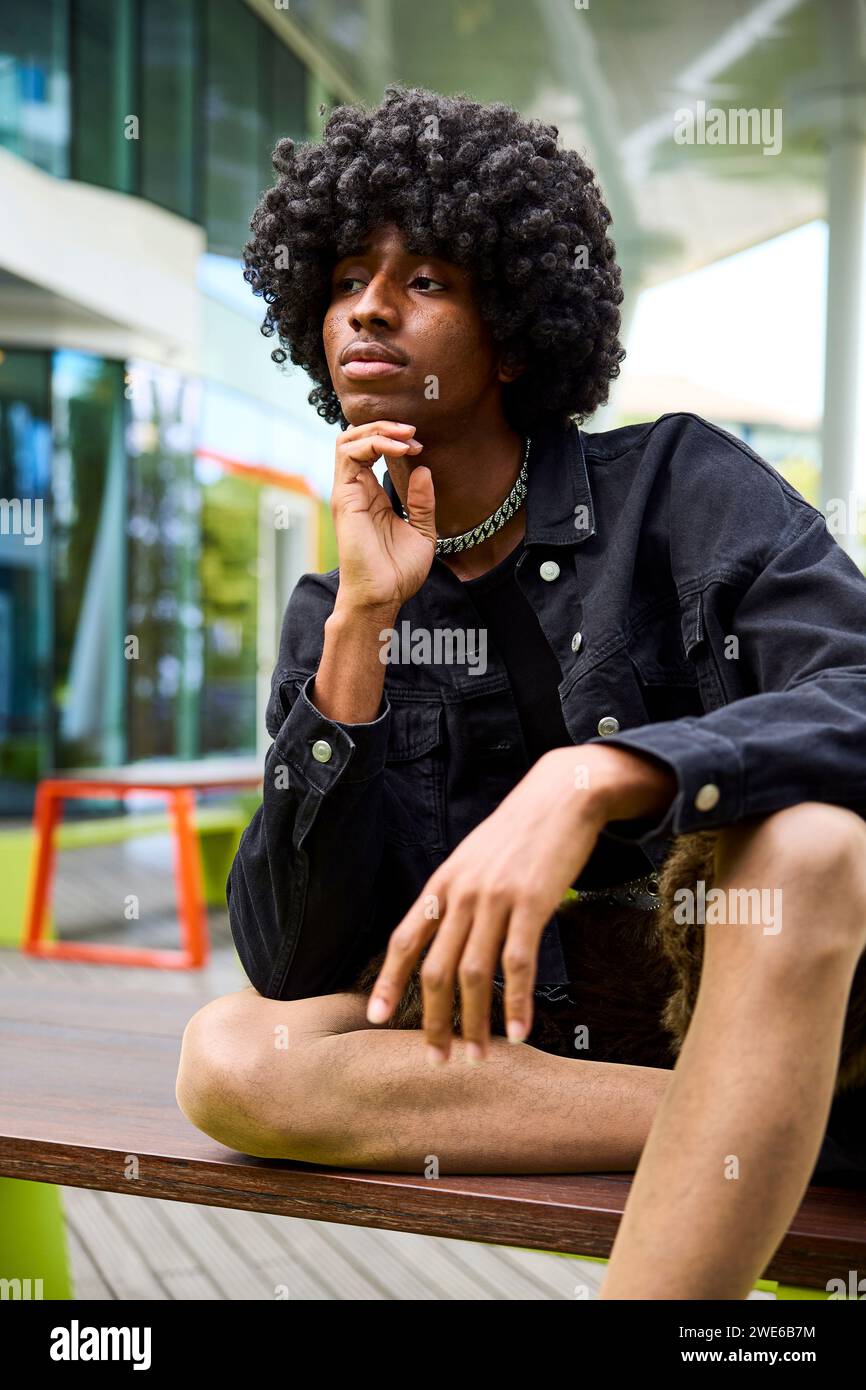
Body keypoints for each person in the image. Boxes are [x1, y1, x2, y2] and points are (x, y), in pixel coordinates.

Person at [175, 84, 866, 1299]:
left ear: (508, 335)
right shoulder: (337, 609)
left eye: (423, 280)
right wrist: (361, 627)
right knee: (233, 1055)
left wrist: (604, 773)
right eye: (345, 279)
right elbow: (293, 964)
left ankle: (766, 1102)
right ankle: (753, 1119)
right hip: (553, 1044)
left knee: (808, 842)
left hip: (796, 993)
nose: (368, 307)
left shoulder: (677, 484)